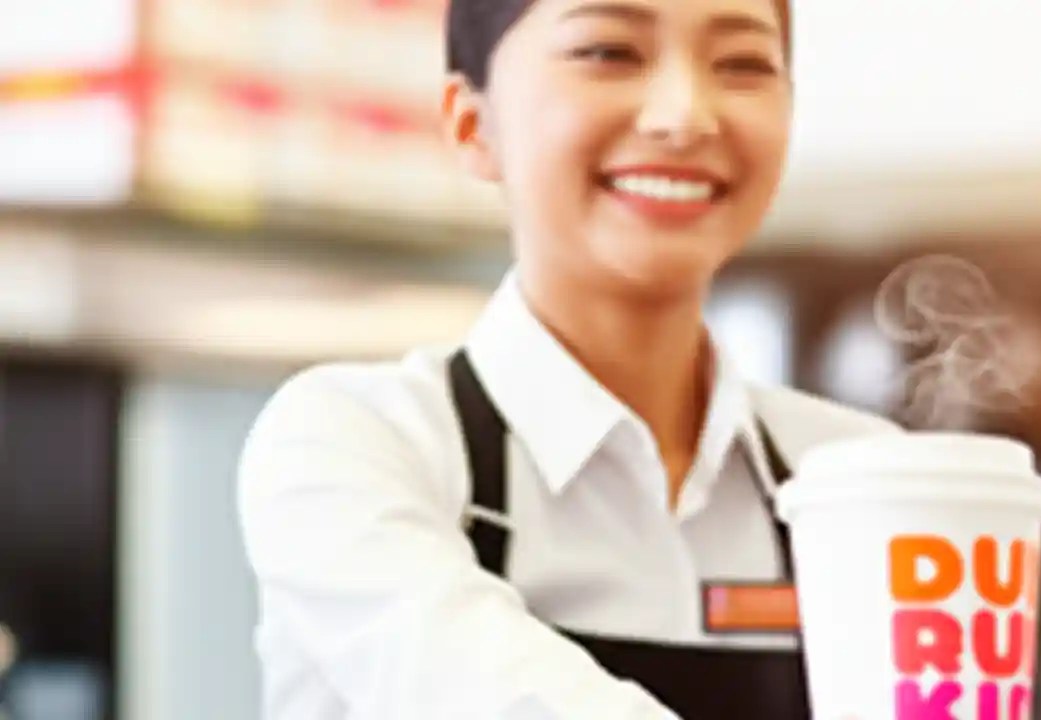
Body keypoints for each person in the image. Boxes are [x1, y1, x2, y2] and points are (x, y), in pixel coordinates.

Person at [238, 0, 898, 717]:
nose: (685, 115)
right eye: (608, 51)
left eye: (743, 64)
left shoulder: (860, 474)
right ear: (472, 123)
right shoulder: (354, 443)